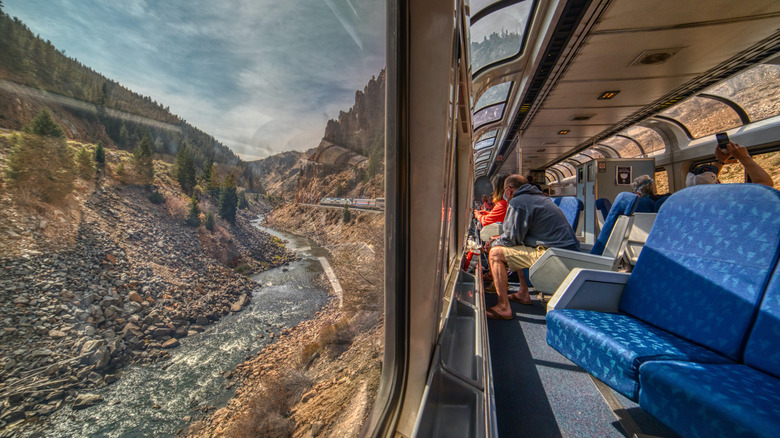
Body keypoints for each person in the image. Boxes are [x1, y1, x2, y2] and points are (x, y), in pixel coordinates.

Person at [486, 175, 580, 320]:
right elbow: (517, 237)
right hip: (565, 251)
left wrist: (492, 244)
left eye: (505, 191)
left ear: (509, 190)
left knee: (495, 254)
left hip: (554, 255)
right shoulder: (539, 198)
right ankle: (523, 293)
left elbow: (511, 239)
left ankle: (503, 307)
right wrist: (499, 239)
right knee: (517, 246)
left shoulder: (518, 201)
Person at [687, 142, 773, 187]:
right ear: (716, 182)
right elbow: (764, 185)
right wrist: (744, 157)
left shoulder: (690, 204)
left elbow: (707, 181)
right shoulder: (727, 199)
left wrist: (720, 160)